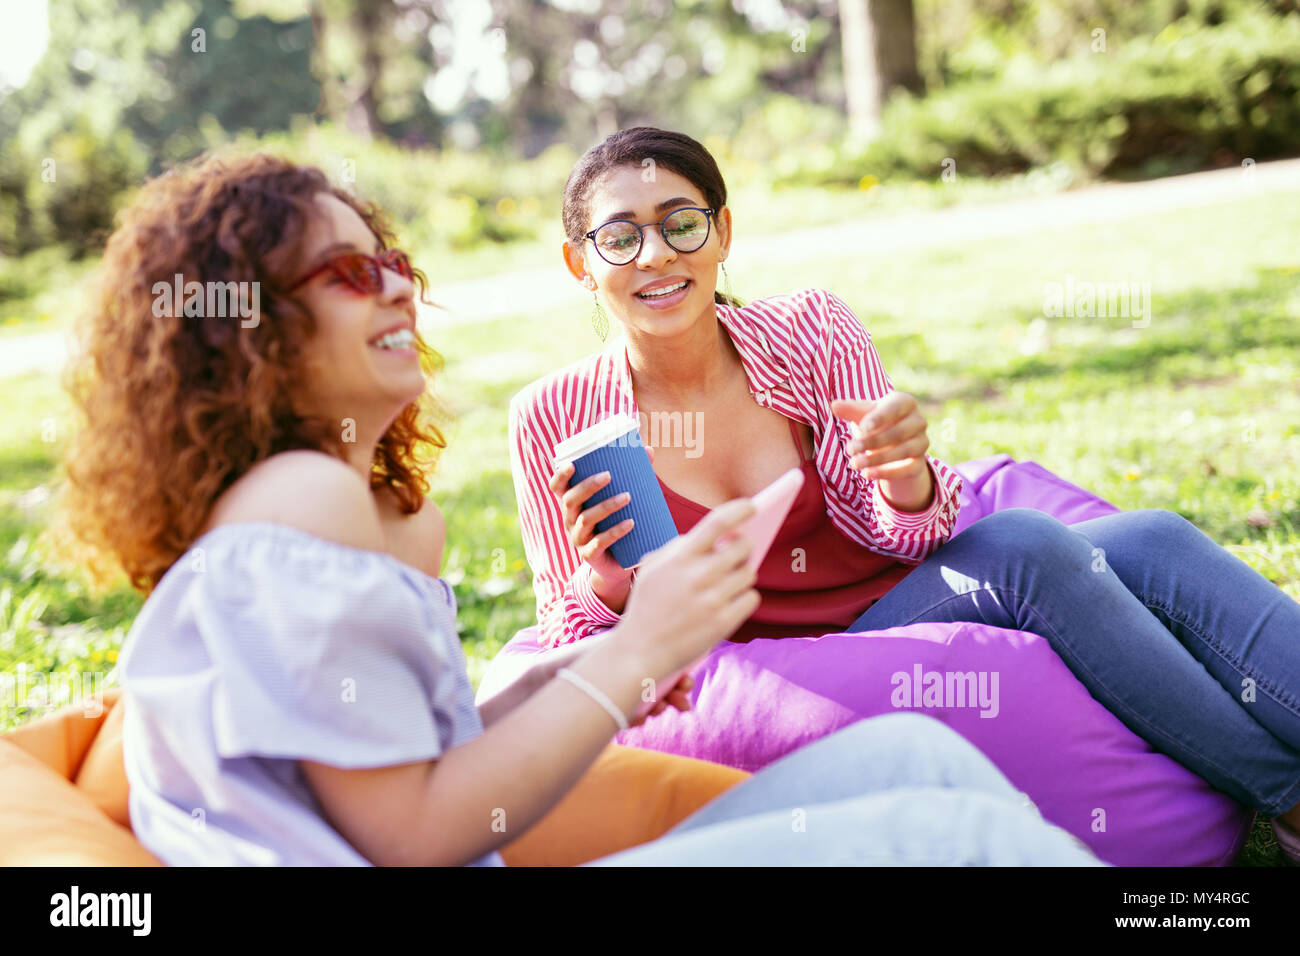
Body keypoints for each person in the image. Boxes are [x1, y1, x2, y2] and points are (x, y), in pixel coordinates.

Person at [58, 152, 1100, 867]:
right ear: (246, 329)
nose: (395, 292)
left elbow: (408, 766)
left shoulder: (334, 500)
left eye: (392, 263)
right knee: (945, 837)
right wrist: (635, 650)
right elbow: (415, 836)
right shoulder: (306, 495)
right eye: (344, 273)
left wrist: (578, 668)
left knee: (920, 760)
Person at [509, 125, 1300, 858]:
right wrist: (607, 584)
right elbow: (570, 642)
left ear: (721, 233)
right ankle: (1291, 799)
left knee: (1148, 540)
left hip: (899, 606)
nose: (655, 255)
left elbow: (908, 537)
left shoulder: (811, 331)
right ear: (582, 264)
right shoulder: (555, 416)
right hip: (754, 668)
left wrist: (907, 482)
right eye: (620, 237)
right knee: (1027, 547)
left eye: (680, 222)